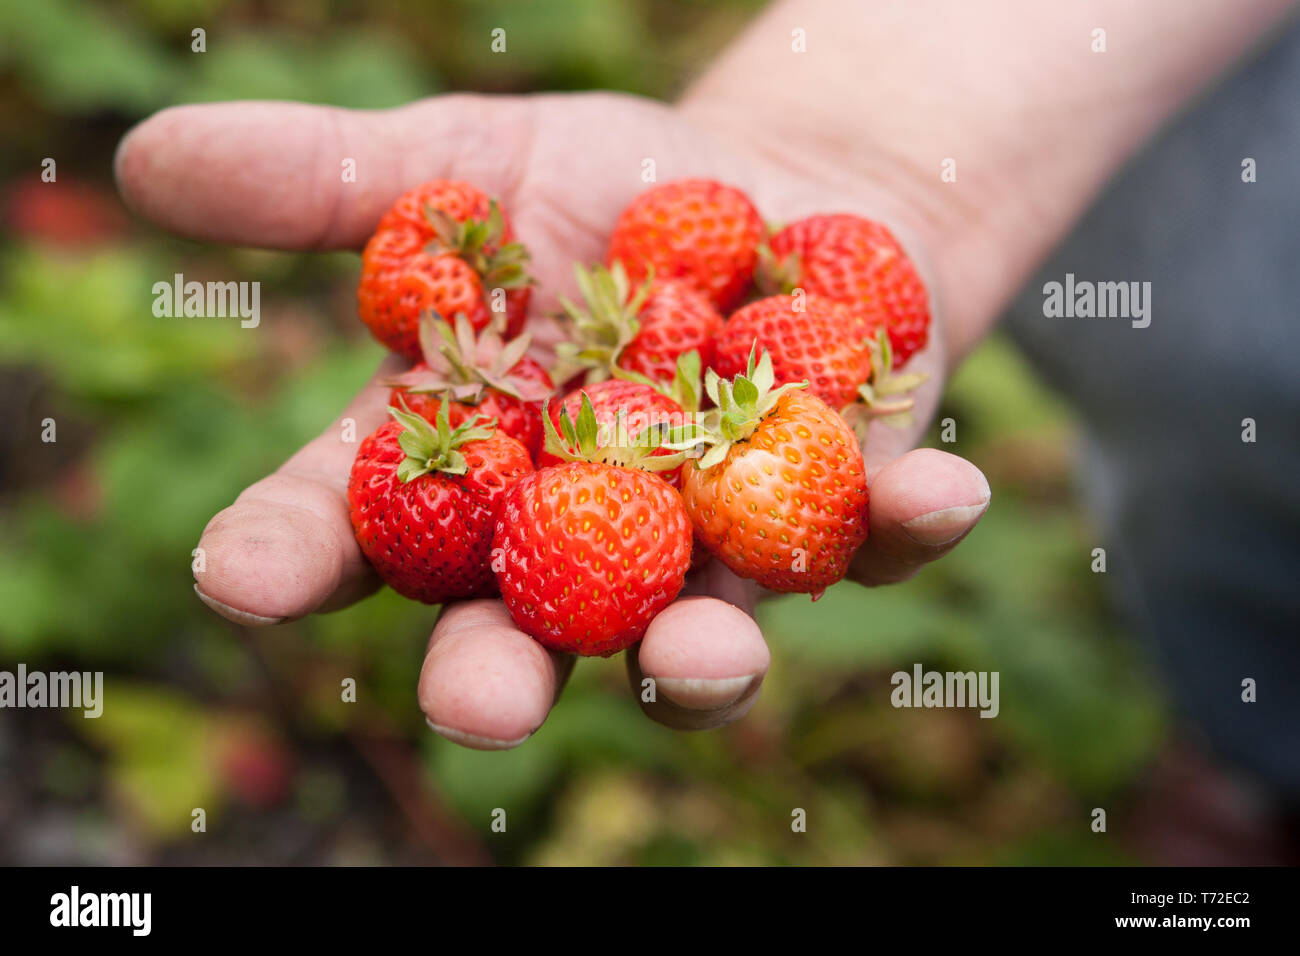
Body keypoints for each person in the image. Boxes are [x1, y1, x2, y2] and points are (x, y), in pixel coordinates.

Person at [114, 0, 1298, 791]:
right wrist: (843, 131)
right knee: (1202, 392)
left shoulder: (729, 372)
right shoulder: (583, 414)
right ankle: (1246, 740)